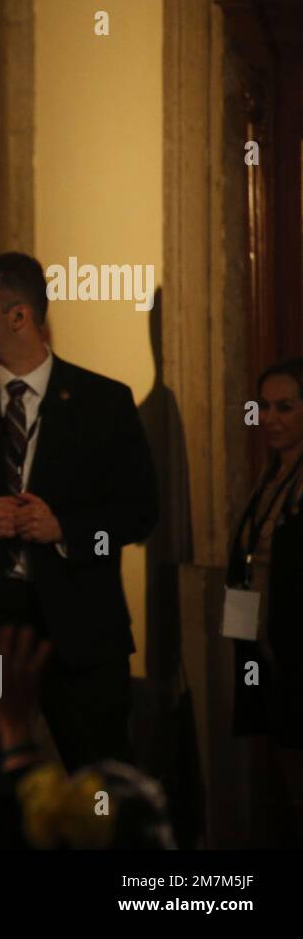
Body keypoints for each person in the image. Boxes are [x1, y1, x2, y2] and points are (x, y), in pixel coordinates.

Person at [0, 252, 158, 829]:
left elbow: (140, 513)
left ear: (19, 317)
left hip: (81, 630)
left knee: (102, 790)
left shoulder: (104, 401)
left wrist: (68, 529)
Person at [227, 357, 303, 846]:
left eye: (285, 407)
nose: (270, 417)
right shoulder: (268, 475)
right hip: (266, 650)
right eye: (263, 406)